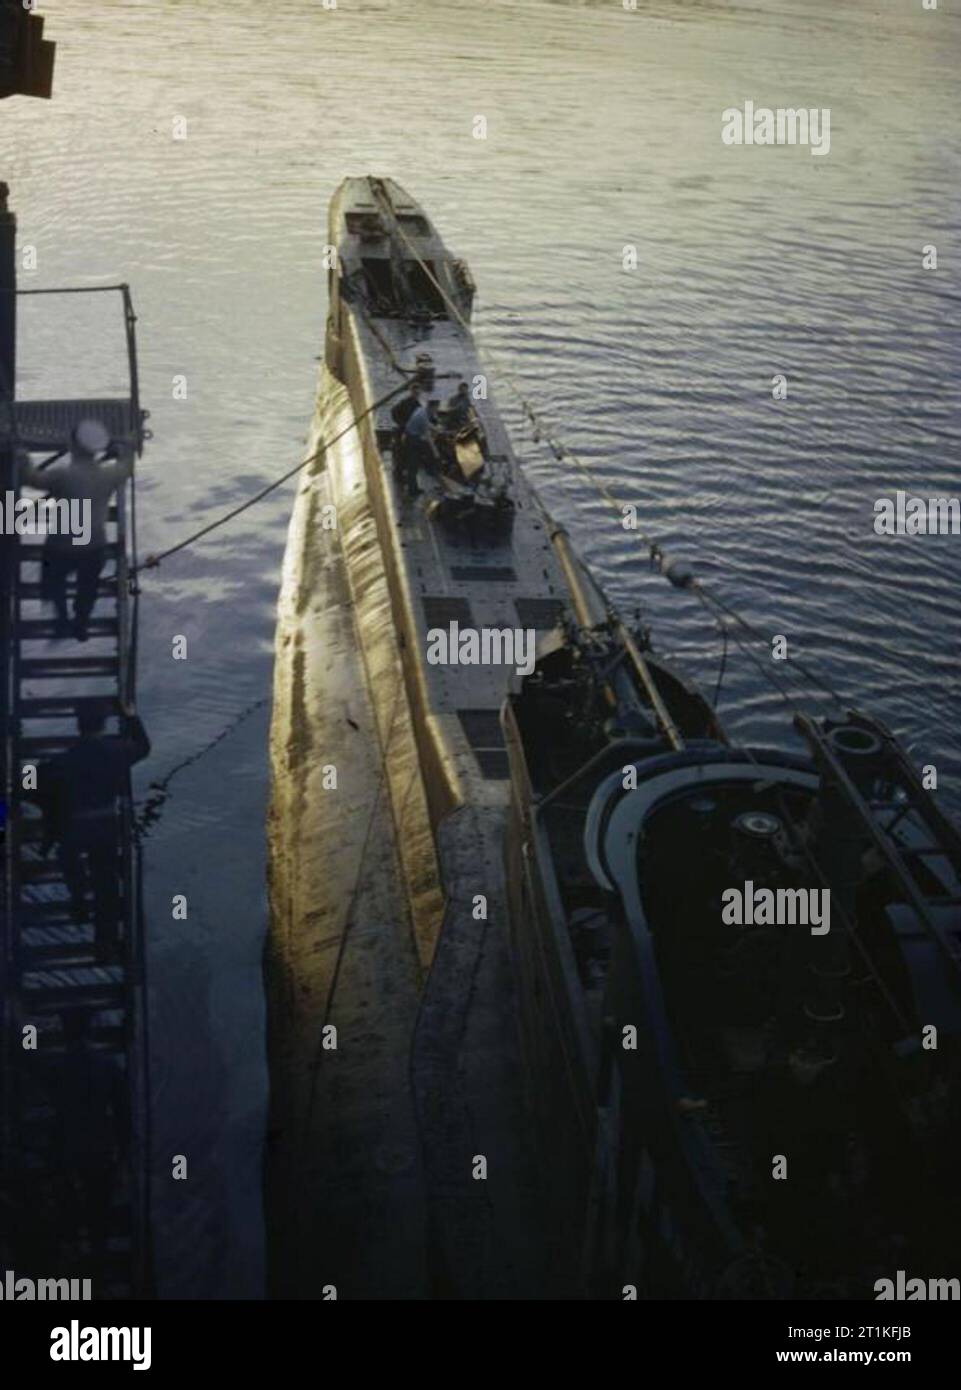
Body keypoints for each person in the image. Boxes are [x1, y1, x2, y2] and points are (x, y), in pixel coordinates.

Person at [42, 699, 150, 961]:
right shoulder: (115, 752)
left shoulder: (65, 760)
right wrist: (132, 717)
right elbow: (144, 748)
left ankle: (79, 899)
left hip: (76, 826)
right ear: (103, 725)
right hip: (105, 825)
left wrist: (28, 780)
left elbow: (33, 781)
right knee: (107, 886)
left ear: (78, 726)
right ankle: (105, 944)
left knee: (68, 858)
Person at [20, 417, 132, 641]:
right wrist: (124, 449)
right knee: (87, 588)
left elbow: (32, 479)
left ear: (72, 446)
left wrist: (23, 457)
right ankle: (81, 622)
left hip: (61, 546)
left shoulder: (61, 475)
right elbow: (127, 467)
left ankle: (61, 619)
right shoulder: (109, 475)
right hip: (93, 546)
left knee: (53, 582)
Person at [45, 1009, 129, 1256]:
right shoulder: (107, 1065)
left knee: (67, 1214)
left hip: (67, 1151)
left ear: (64, 1031)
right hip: (100, 1150)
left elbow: (54, 1107)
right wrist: (122, 1154)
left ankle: (73, 1264)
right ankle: (97, 1271)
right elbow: (123, 1112)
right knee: (98, 1217)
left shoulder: (58, 1067)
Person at [402, 398, 441, 497]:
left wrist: (437, 430)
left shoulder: (422, 409)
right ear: (432, 407)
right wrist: (435, 452)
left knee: (415, 461)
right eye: (436, 408)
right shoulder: (423, 416)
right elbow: (428, 437)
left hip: (410, 435)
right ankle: (412, 491)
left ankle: (414, 487)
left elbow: (428, 425)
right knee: (413, 465)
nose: (437, 410)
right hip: (412, 439)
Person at [390, 379, 422, 484]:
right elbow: (394, 412)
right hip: (403, 431)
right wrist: (402, 424)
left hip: (411, 433)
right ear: (411, 392)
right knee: (401, 453)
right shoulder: (405, 403)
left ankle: (405, 475)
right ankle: (398, 475)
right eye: (415, 392)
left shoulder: (418, 405)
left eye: (418, 393)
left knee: (409, 454)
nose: (416, 394)